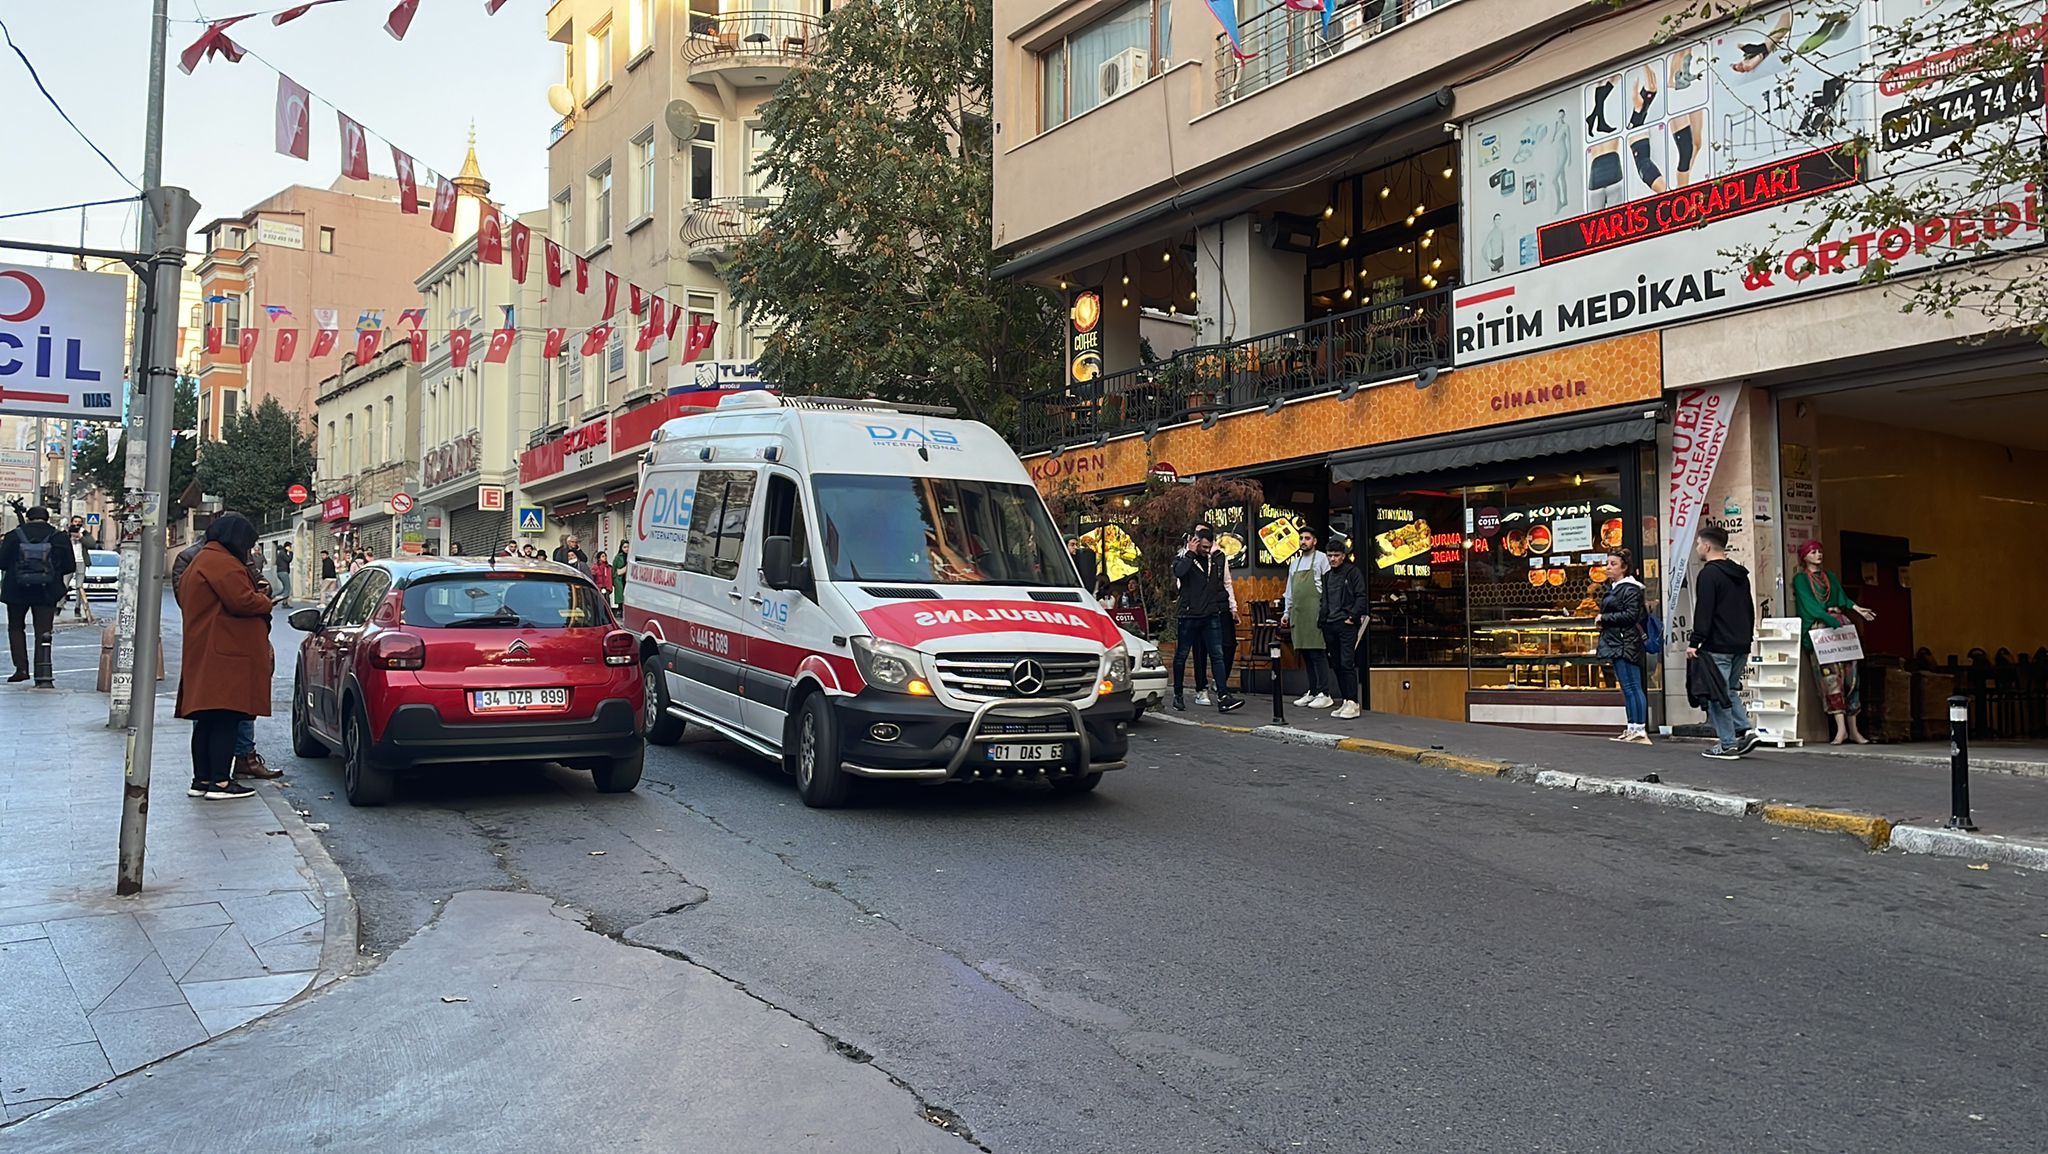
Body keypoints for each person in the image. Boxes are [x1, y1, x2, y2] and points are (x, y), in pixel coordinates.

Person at [175, 513, 275, 801]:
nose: (247, 550)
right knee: (225, 717)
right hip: (224, 654)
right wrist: (264, 600)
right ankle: (220, 782)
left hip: (208, 648)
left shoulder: (203, 560)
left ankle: (201, 779)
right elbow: (242, 600)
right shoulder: (222, 563)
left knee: (207, 720)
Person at [1687, 524, 1760, 760]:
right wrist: (1747, 638)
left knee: (1716, 694)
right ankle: (1745, 730)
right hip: (1741, 643)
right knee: (1728, 689)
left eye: (1698, 543)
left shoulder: (1709, 574)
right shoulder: (1740, 574)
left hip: (1717, 644)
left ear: (1707, 546)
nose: (1698, 547)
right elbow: (1748, 609)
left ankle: (1728, 744)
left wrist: (1695, 641)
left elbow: (1704, 610)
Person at [1792, 539, 1875, 745]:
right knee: (1830, 678)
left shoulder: (1830, 577)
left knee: (1851, 676)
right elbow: (1809, 606)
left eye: (1819, 551)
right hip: (1822, 629)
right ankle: (1840, 729)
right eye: (1813, 552)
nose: (1818, 555)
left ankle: (1854, 729)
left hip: (1840, 625)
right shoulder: (1801, 579)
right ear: (1804, 556)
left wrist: (1857, 609)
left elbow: (1843, 599)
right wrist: (1830, 621)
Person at [0, 506, 76, 686]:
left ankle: (21, 669)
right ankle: (42, 671)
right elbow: (70, 566)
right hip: (46, 590)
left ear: (28, 518)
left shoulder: (14, 535)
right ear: (47, 518)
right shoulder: (58, 537)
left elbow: (2, 562)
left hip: (17, 590)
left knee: (16, 628)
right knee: (43, 631)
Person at [1170, 527, 1243, 713]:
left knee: (1217, 655)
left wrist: (1229, 607)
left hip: (1211, 613)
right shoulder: (1184, 557)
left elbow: (1224, 582)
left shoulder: (1217, 558)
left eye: (1208, 546)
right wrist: (1191, 553)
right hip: (1188, 614)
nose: (1206, 550)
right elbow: (1179, 573)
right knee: (1182, 655)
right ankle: (1178, 695)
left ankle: (1223, 696)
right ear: (1195, 542)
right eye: (1203, 546)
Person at [1596, 547, 1651, 744]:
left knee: (1632, 686)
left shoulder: (1630, 588)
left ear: (1624, 568)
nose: (1608, 568)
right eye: (1608, 563)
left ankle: (1639, 728)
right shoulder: (1618, 588)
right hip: (1619, 641)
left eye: (1613, 564)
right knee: (1628, 688)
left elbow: (1630, 615)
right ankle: (1632, 727)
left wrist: (1604, 617)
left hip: (1625, 642)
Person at [1280, 529, 1332, 708]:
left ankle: (1324, 692)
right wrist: (1286, 612)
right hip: (1299, 612)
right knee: (1305, 653)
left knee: (1318, 652)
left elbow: (1328, 587)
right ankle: (1313, 690)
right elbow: (1290, 590)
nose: (1303, 541)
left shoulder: (1322, 559)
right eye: (1301, 538)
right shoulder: (1294, 563)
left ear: (1315, 541)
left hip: (1315, 611)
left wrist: (1326, 611)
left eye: (1307, 538)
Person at [1317, 535, 1368, 719]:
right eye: (1330, 555)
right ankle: (1346, 700)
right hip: (1330, 623)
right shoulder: (1327, 576)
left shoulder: (1353, 573)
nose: (1332, 559)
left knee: (1347, 662)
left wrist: (1352, 616)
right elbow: (1324, 599)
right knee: (1337, 663)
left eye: (1336, 555)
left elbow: (1361, 596)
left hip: (1346, 623)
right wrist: (1322, 620)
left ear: (1343, 556)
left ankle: (1353, 702)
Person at [65, 516, 95, 622]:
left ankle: (77, 608)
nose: (77, 524)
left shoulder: (85, 533)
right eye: (75, 522)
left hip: (81, 561)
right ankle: (59, 606)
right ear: (71, 522)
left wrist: (81, 537)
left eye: (79, 522)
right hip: (68, 561)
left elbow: (92, 544)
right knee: (64, 584)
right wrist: (69, 535)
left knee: (79, 586)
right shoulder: (66, 532)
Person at [273, 539, 295, 606]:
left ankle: (272, 595)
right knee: (288, 588)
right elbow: (288, 559)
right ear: (287, 546)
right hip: (283, 572)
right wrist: (291, 553)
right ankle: (284, 602)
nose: (291, 548)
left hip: (281, 572)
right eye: (290, 547)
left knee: (284, 589)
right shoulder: (282, 553)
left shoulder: (281, 552)